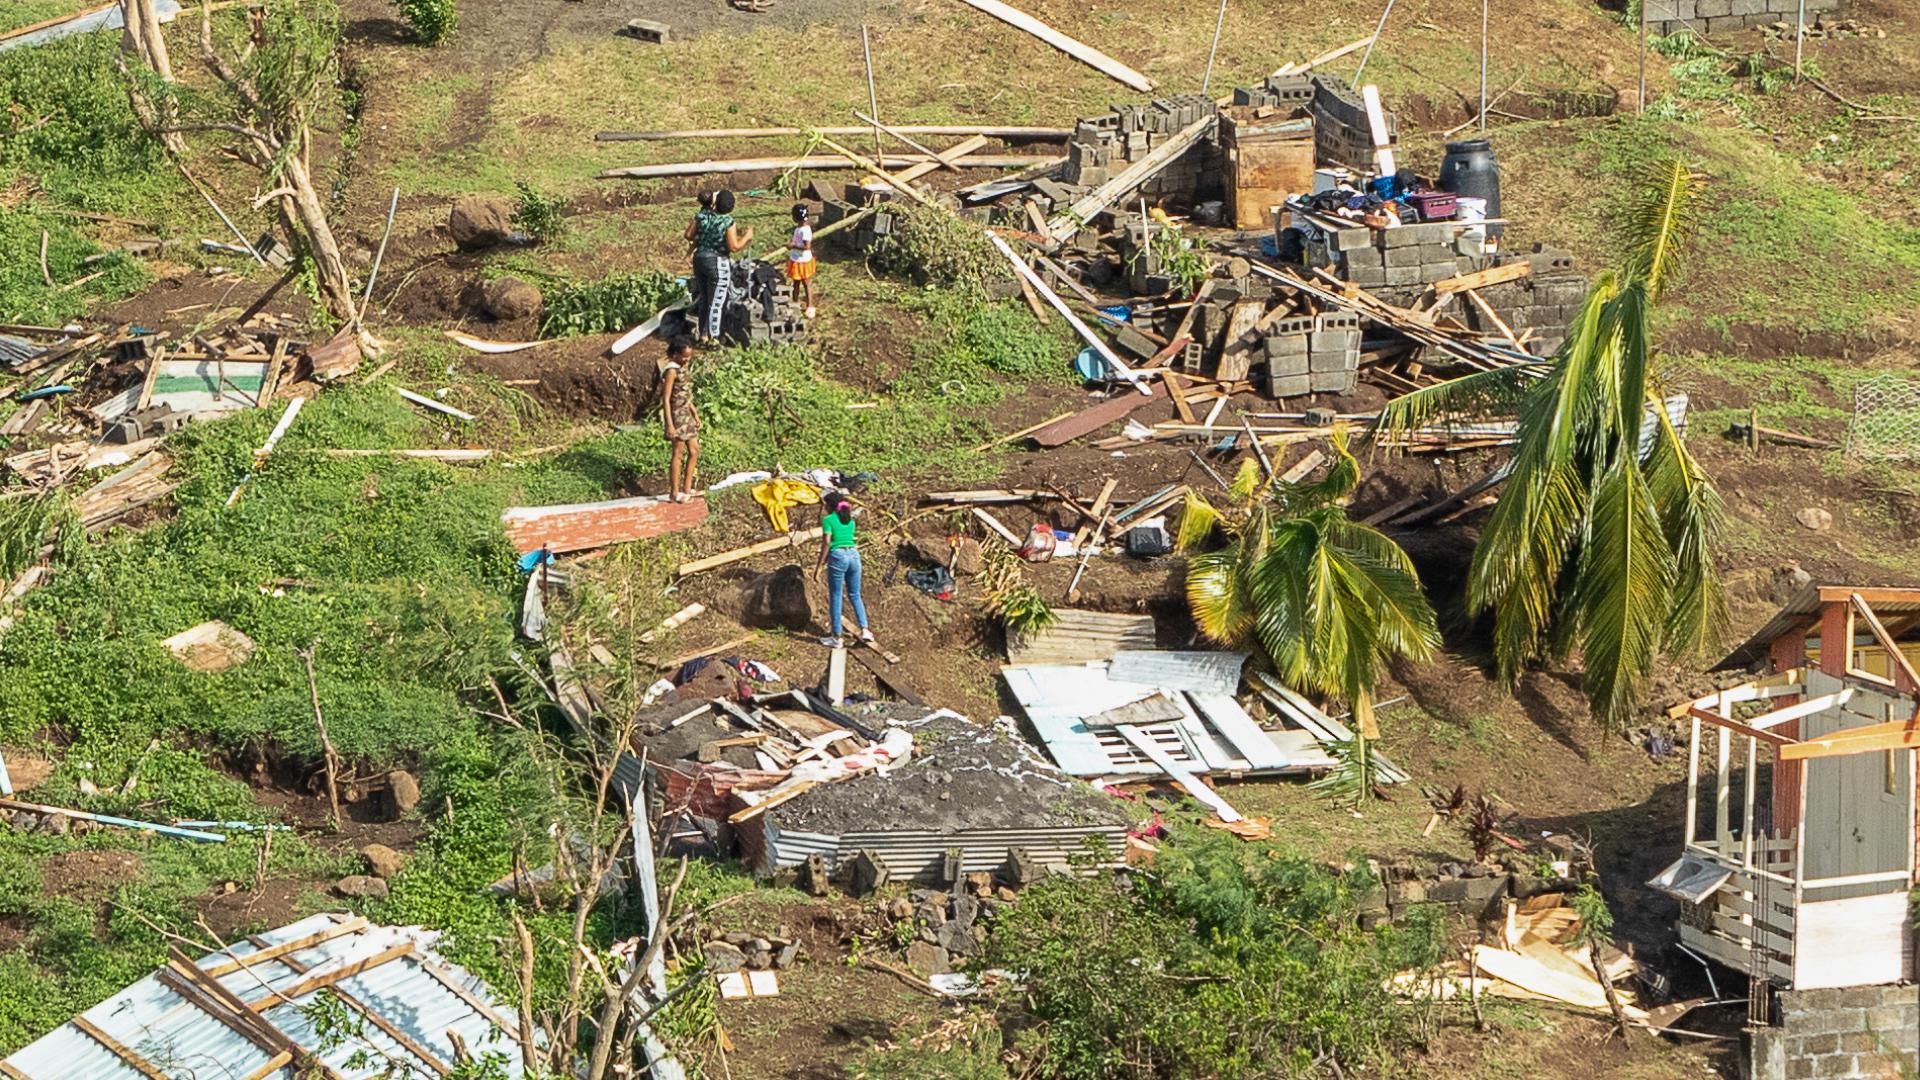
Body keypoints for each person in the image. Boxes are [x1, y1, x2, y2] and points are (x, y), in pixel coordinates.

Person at [683, 189, 753, 343]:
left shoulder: (704, 215)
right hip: (716, 263)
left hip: (699, 259)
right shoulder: (728, 221)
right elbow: (734, 247)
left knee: (705, 299)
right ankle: (712, 339)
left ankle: (703, 335)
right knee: (716, 302)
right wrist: (747, 236)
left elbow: (688, 235)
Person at [814, 492, 872, 647]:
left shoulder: (828, 520)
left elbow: (827, 543)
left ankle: (837, 637)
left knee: (836, 596)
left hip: (838, 556)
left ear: (829, 506)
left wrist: (819, 566)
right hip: (854, 555)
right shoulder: (849, 520)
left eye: (825, 504)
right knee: (855, 594)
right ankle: (865, 629)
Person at [658, 338, 700, 502]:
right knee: (678, 453)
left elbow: (686, 395)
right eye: (684, 357)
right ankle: (674, 492)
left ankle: (687, 488)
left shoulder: (684, 368)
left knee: (695, 450)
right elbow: (666, 399)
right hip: (676, 416)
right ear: (675, 354)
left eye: (689, 357)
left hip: (686, 414)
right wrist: (669, 424)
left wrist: (695, 413)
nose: (687, 360)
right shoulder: (672, 371)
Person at [786, 203, 817, 319]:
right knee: (796, 283)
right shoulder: (799, 228)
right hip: (796, 259)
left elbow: (807, 247)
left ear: (795, 218)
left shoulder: (805, 231)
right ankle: (794, 303)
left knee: (806, 283)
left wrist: (792, 246)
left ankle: (810, 306)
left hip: (803, 260)